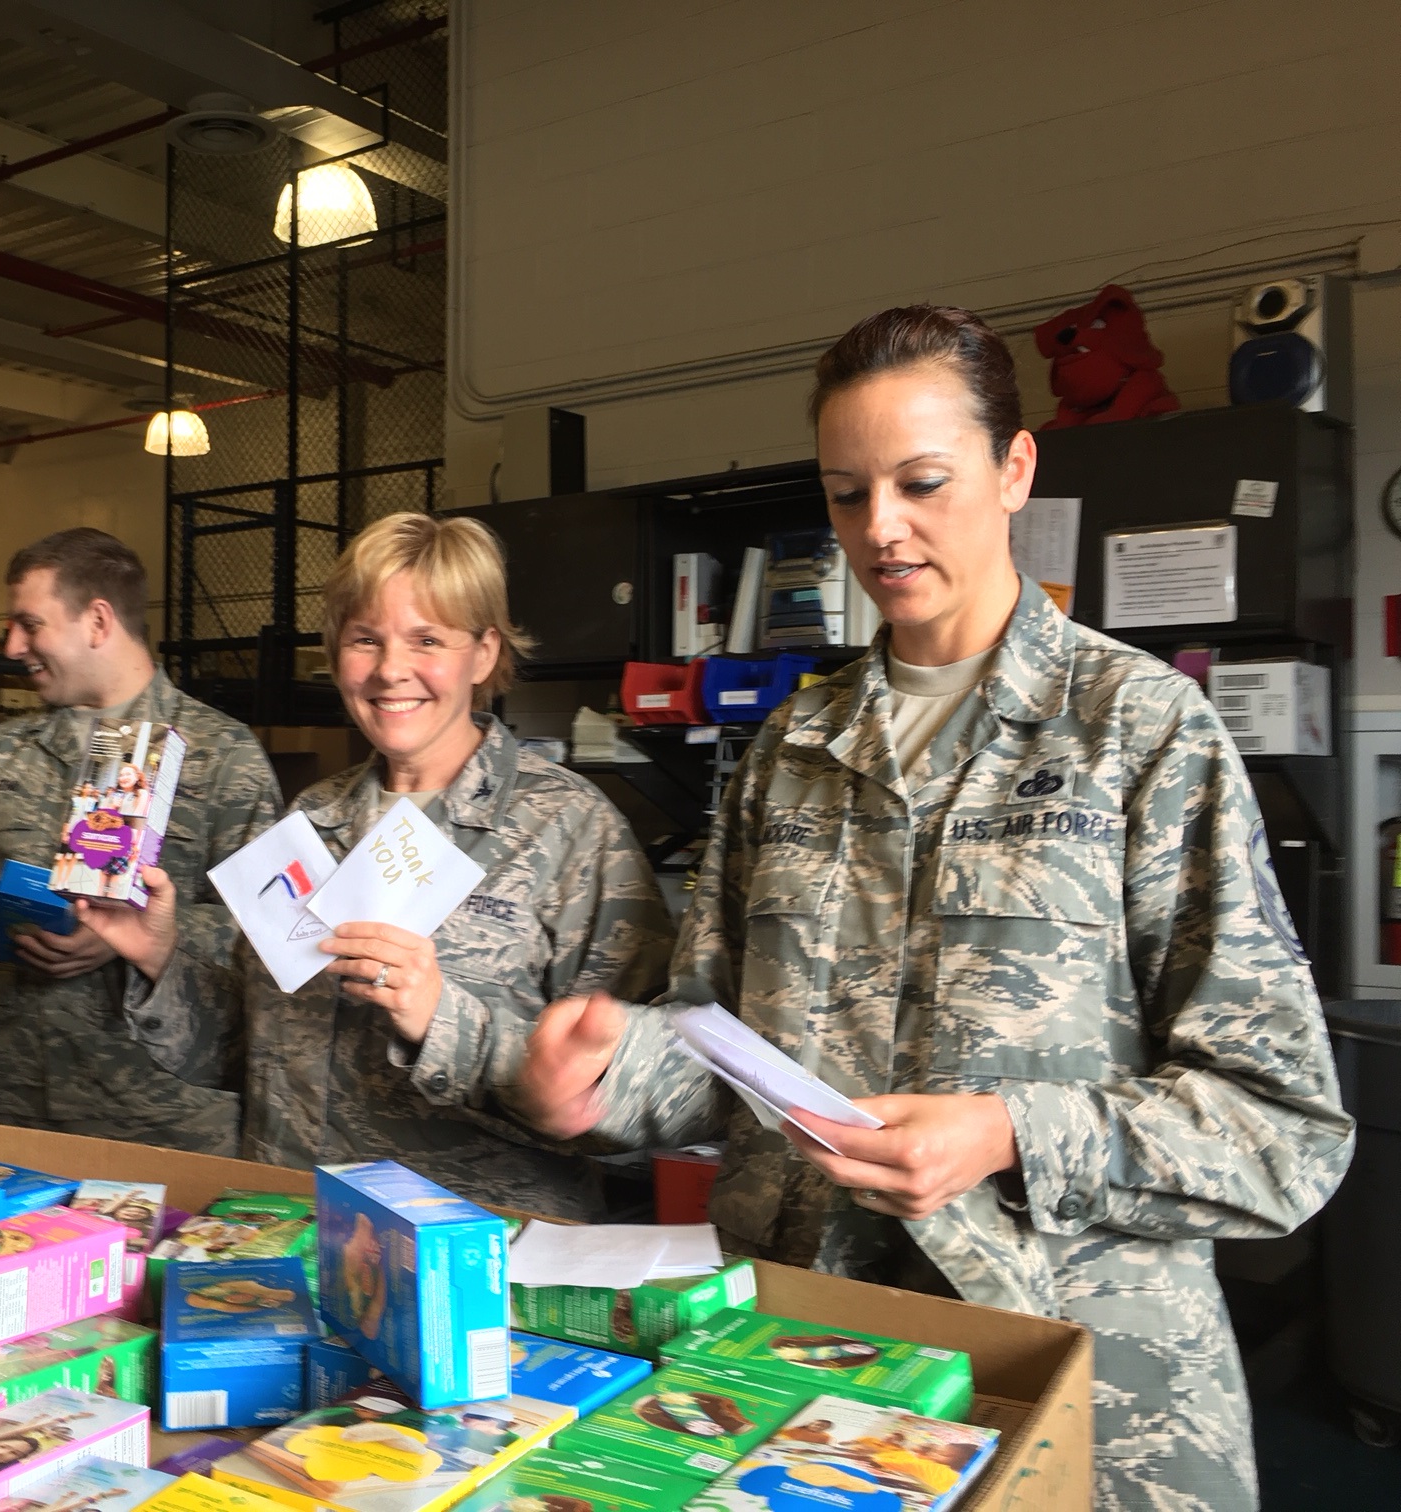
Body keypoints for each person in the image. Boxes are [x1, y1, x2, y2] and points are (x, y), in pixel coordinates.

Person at [508, 307, 1354, 1509]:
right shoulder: (791, 745)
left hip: (1076, 1377)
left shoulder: (1142, 733)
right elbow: (725, 1058)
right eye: (848, 495)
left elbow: (1283, 1129)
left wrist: (1009, 1131)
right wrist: (612, 1071)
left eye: (921, 482)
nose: (881, 530)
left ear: (1015, 470)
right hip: (808, 1366)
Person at [88, 512, 675, 1218]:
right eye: (366, 639)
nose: (391, 669)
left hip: (471, 1263)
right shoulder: (310, 820)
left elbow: (643, 1115)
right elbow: (248, 1053)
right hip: (291, 1231)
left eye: (427, 639)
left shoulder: (572, 832)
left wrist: (442, 1019)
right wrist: (161, 961)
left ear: (484, 653)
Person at [0, 528, 279, 1150]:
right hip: (5, 1103)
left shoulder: (224, 758)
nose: (12, 647)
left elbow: (272, 933)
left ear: (97, 620)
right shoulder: (0, 754)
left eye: (29, 624)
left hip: (160, 1118)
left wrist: (140, 935)